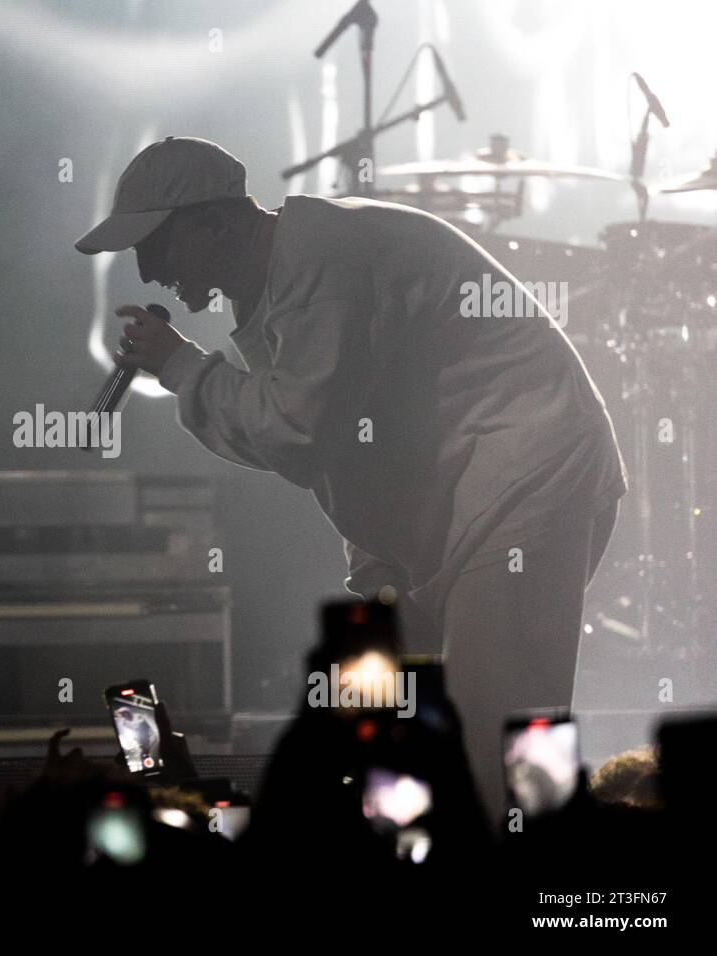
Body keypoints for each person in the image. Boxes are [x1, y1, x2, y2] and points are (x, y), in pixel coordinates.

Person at [74, 136, 626, 826]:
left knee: (501, 751)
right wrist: (378, 573)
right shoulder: (283, 277)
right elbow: (326, 437)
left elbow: (298, 435)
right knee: (404, 745)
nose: (147, 272)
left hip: (525, 482)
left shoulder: (320, 258)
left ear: (212, 221)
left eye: (154, 246)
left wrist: (185, 370)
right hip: (457, 508)